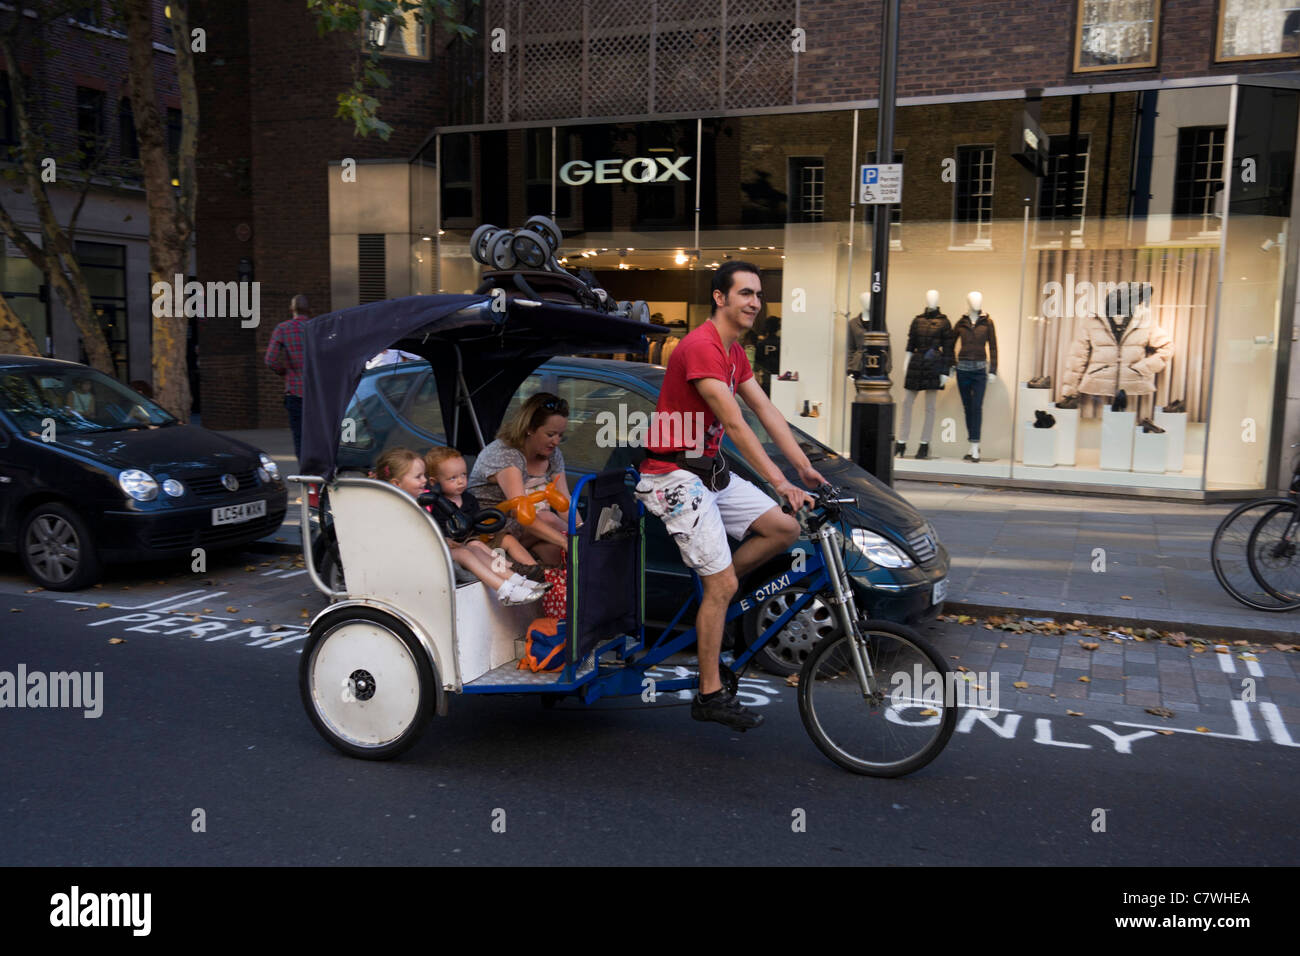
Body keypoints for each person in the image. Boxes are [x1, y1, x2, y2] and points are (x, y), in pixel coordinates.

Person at [635, 261, 825, 731]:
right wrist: (779, 483)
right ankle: (709, 693)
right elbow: (736, 424)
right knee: (722, 585)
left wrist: (803, 466)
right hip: (673, 476)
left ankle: (717, 587)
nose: (754, 303)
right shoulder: (700, 346)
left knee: (783, 528)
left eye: (758, 294)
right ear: (720, 298)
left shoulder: (733, 351)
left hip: (709, 473)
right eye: (744, 293)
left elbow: (763, 409)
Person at [373, 447, 545, 606]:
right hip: (415, 559)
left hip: (435, 548)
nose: (424, 481)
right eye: (418, 477)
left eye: (424, 475)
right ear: (396, 484)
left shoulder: (424, 500)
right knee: (465, 552)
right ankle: (504, 590)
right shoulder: (393, 508)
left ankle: (516, 580)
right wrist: (443, 540)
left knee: (476, 547)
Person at [467, 393, 575, 567]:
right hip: (493, 531)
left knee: (555, 554)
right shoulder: (506, 455)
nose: (556, 441)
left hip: (526, 530)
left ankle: (562, 590)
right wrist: (568, 542)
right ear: (530, 428)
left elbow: (565, 500)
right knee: (548, 520)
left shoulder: (552, 454)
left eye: (560, 435)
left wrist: (582, 529)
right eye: (550, 434)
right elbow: (523, 514)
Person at [424, 446, 547, 584]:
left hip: (477, 538)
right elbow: (439, 533)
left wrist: (487, 531)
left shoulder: (469, 499)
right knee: (476, 544)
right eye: (452, 478)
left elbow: (479, 520)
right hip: (459, 546)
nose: (460, 481)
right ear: (434, 482)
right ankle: (512, 568)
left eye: (463, 475)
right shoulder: (435, 506)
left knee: (506, 539)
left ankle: (533, 569)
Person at [265, 294, 311, 464]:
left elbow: (270, 360)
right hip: (317, 394)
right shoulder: (317, 327)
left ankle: (306, 477)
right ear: (309, 309)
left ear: (291, 309)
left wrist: (285, 372)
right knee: (318, 437)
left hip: (295, 391)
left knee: (299, 438)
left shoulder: (283, 329)